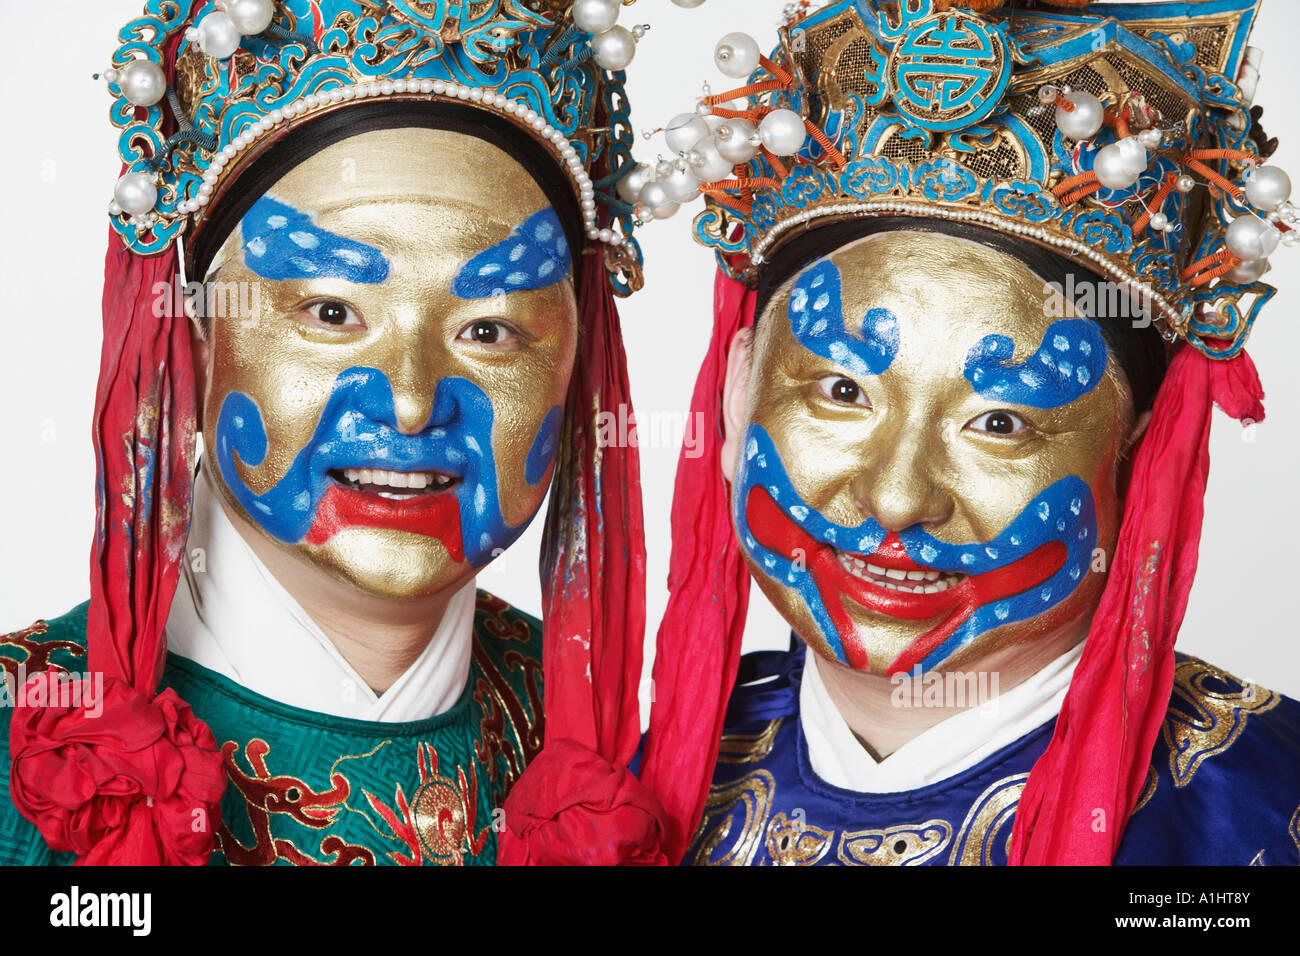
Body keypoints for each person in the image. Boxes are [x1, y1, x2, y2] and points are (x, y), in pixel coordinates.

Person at [639, 0, 1300, 865]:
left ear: (1139, 456)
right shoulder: (642, 777)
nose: (897, 496)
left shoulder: (1258, 818)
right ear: (735, 401)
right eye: (842, 389)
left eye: (999, 421)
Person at [0, 0, 652, 866]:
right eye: (333, 312)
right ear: (195, 338)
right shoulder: (32, 730)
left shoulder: (605, 751)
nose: (413, 404)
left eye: (489, 330)